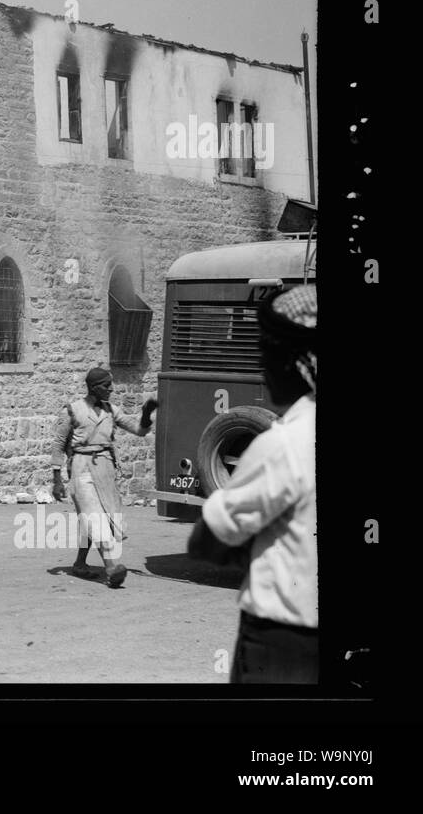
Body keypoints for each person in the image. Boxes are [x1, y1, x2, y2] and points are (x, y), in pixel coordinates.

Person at [189, 285, 317, 683]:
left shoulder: (285, 443)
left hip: (285, 646)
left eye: (268, 358)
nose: (264, 371)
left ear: (292, 364)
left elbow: (206, 541)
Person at [50, 367, 157, 587]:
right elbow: (59, 444)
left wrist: (146, 414)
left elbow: (139, 430)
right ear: (93, 387)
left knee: (102, 517)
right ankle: (111, 567)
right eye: (106, 386)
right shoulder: (72, 410)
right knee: (94, 516)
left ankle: (80, 564)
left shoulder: (111, 411)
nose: (111, 389)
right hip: (82, 467)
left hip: (106, 468)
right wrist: (57, 479)